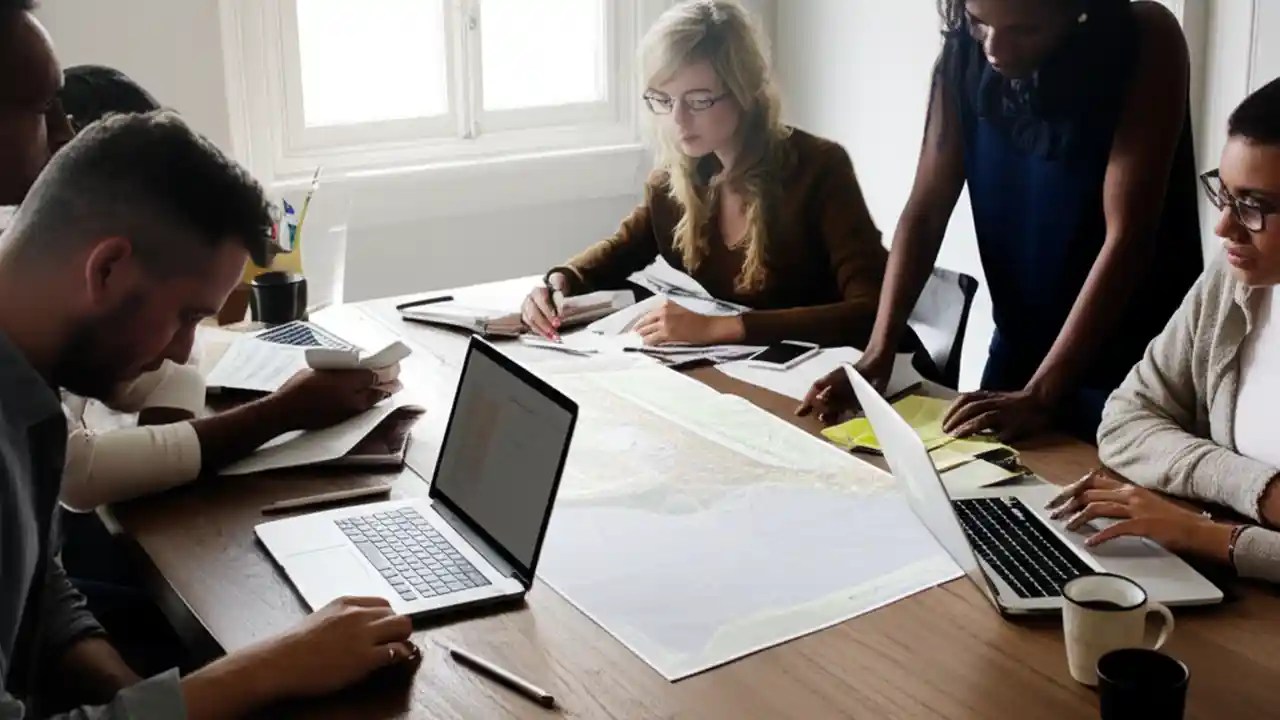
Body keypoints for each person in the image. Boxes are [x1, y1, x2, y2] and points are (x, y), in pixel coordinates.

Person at [0, 109, 420, 719]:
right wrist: (264, 670)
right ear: (107, 269)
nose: (180, 352)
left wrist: (139, 694)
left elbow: (38, 584)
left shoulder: (26, 382)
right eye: (187, 316)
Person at [800, 0, 1203, 442]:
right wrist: (877, 355)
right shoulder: (963, 54)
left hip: (1134, 366)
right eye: (978, 23)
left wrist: (1042, 394)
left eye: (1024, 30)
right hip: (1020, 348)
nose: (995, 49)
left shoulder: (1145, 40)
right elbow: (926, 211)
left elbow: (1127, 236)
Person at [522, 0, 887, 348]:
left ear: (745, 92)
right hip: (738, 371)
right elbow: (617, 253)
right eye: (664, 100)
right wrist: (558, 284)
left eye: (698, 100)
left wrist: (721, 328)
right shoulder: (675, 179)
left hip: (835, 372)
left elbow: (872, 312)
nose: (678, 119)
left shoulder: (819, 169)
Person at [1046, 78, 1280, 584]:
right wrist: (1261, 491)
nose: (1224, 227)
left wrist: (1205, 534)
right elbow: (1125, 420)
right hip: (1227, 581)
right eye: (1224, 194)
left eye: (1254, 205)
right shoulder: (1231, 279)